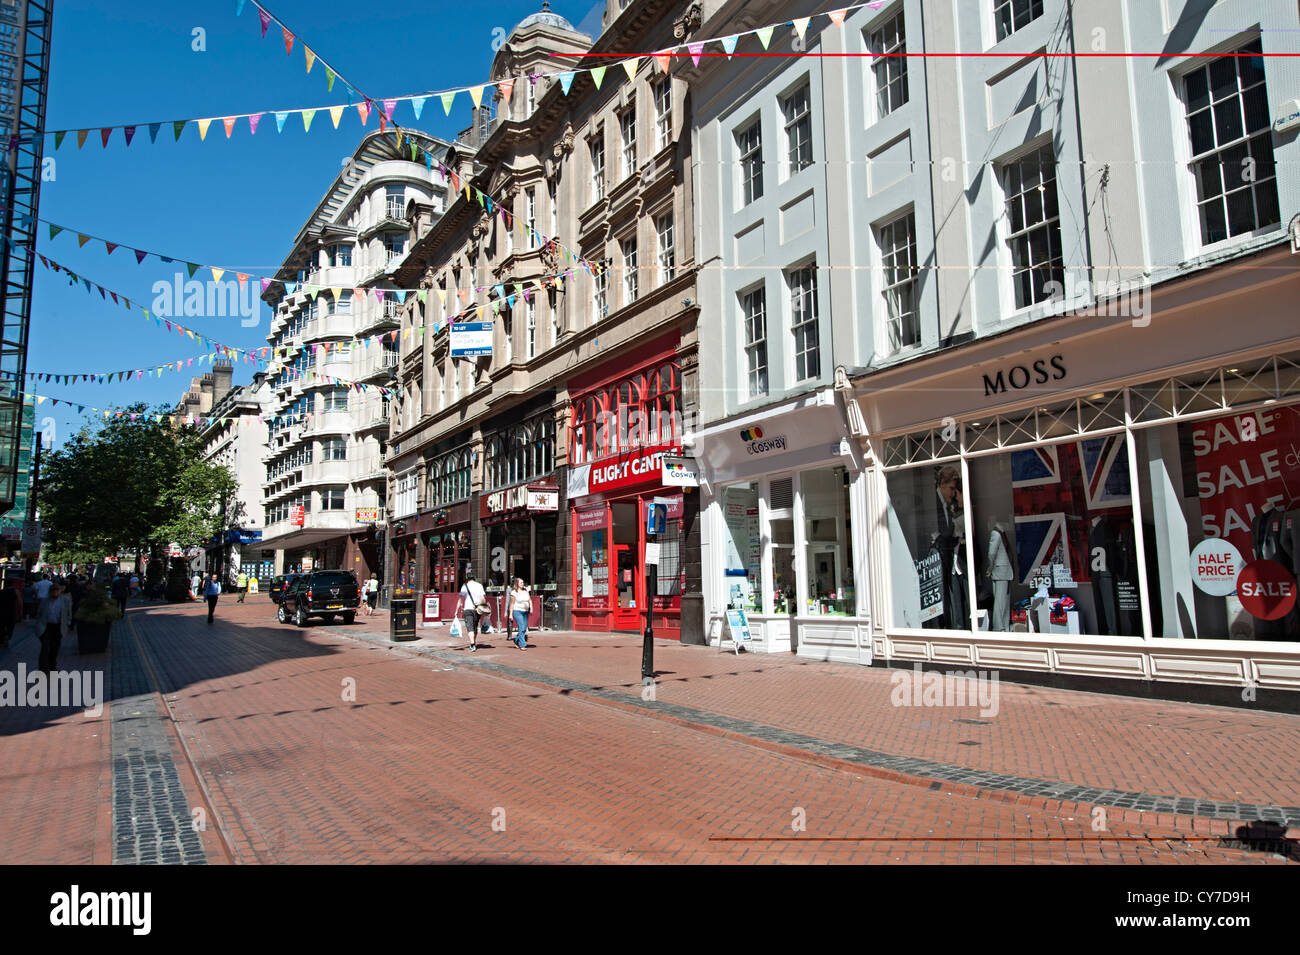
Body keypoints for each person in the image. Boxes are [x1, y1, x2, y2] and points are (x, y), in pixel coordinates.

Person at [36, 580, 72, 674]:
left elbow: (68, 613)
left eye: (57, 591)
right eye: (53, 591)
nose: (55, 592)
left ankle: (52, 665)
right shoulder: (45, 601)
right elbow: (39, 613)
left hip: (58, 627)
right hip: (46, 626)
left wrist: (68, 623)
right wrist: (38, 625)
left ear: (60, 591)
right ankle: (43, 667)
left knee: (55, 647)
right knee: (45, 647)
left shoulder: (65, 600)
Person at [459, 571, 487, 652]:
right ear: (474, 578)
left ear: (467, 578)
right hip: (477, 609)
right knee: (475, 626)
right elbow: (483, 598)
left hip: (468, 608)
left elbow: (460, 598)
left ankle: (472, 644)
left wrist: (458, 608)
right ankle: (473, 642)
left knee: (470, 627)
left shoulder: (465, 586)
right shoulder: (479, 585)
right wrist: (484, 607)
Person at [0, 577, 22, 650]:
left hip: (2, 611)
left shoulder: (2, 591)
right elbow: (19, 601)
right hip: (11, 611)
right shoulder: (15, 591)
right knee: (10, 625)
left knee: (2, 625)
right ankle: (8, 636)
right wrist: (20, 611)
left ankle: (2, 637)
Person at [509, 577, 531, 650]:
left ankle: (516, 640)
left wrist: (531, 608)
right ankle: (522, 644)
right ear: (517, 584)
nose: (522, 584)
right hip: (517, 611)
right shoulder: (514, 592)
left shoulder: (526, 590)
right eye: (521, 582)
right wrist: (510, 614)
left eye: (523, 582)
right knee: (521, 626)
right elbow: (512, 604)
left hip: (525, 611)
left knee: (524, 628)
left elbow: (529, 600)